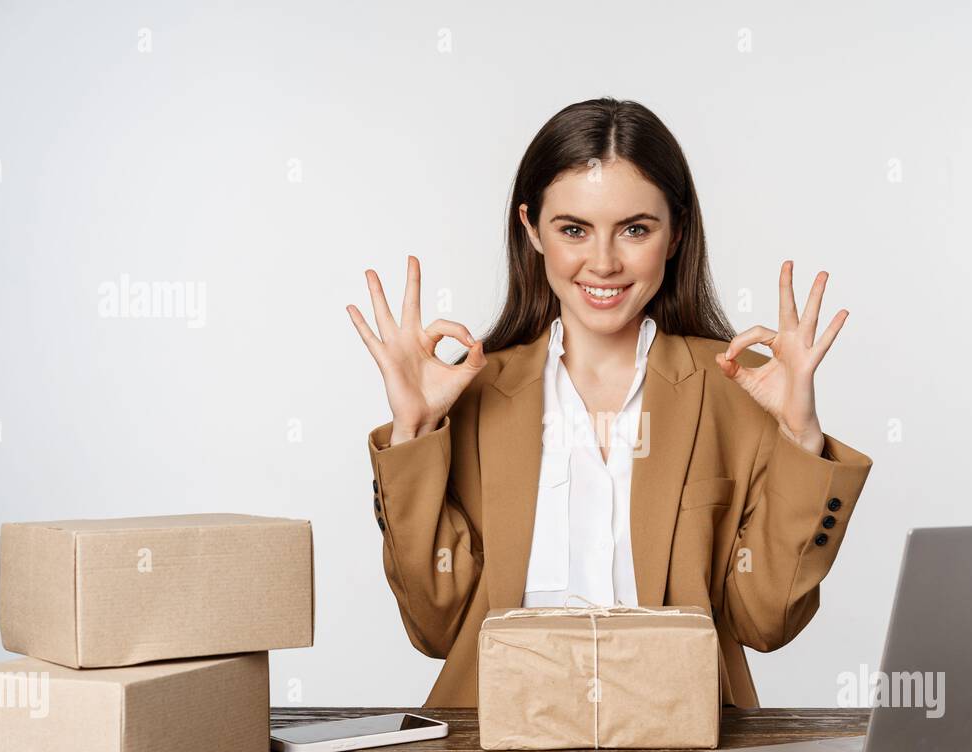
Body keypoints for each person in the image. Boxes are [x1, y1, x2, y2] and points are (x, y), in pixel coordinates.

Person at [346, 97, 872, 708]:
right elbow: (436, 630)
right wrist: (414, 431)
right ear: (531, 230)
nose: (603, 262)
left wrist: (800, 437)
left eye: (635, 229)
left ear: (674, 232)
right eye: (573, 229)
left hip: (680, 751)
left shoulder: (740, 389)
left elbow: (767, 622)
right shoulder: (468, 393)